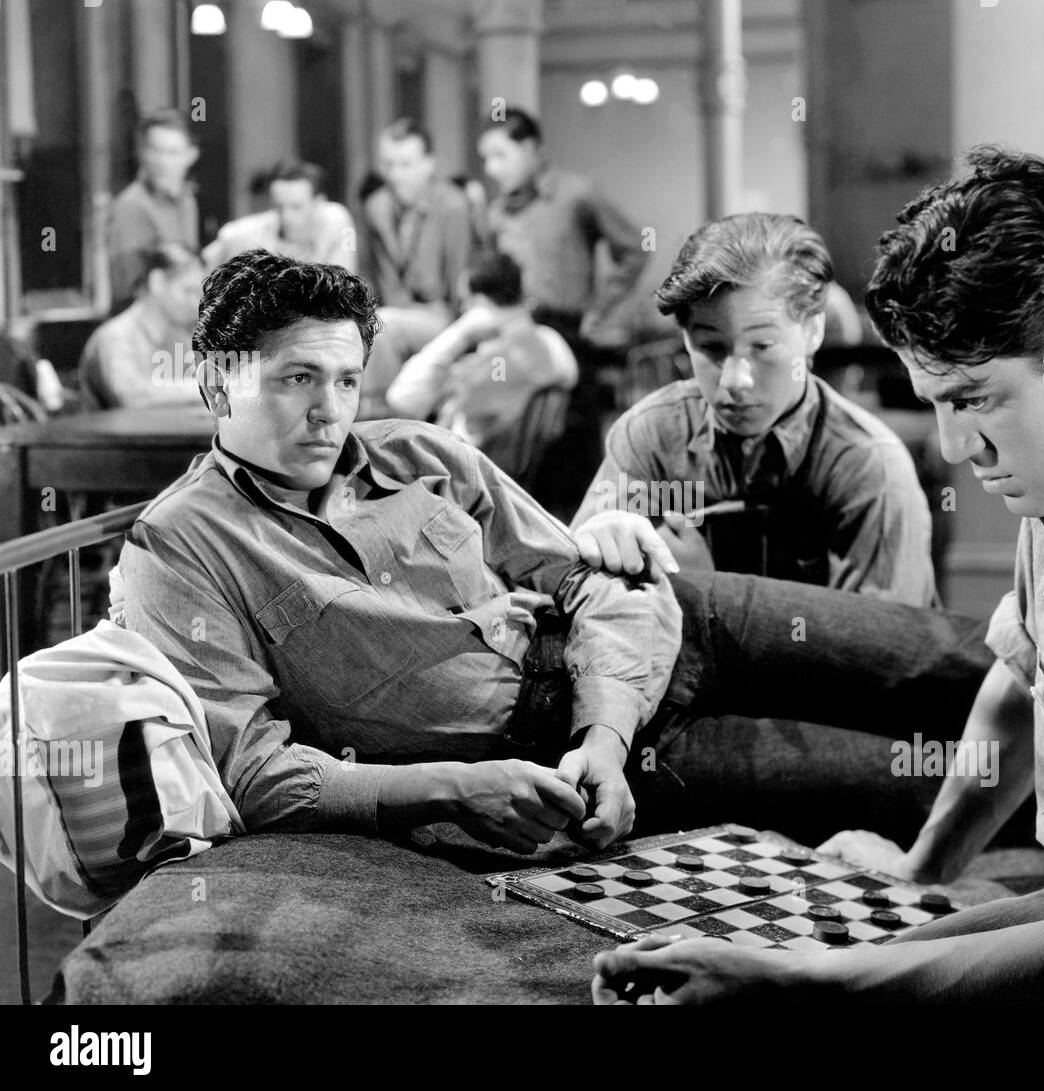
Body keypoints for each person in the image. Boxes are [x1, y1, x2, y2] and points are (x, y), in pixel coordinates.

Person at [593, 146, 1044, 1006]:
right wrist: (923, 867)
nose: (957, 447)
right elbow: (1019, 679)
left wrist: (804, 983)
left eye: (973, 398)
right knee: (886, 959)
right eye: (936, 402)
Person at [116, 249, 993, 859]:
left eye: (346, 380)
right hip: (563, 746)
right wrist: (457, 787)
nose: (330, 411)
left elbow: (589, 582)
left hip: (672, 629)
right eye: (296, 379)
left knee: (958, 657)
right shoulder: (179, 545)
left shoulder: (423, 453)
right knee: (933, 780)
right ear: (215, 381)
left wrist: (605, 732)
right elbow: (253, 770)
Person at [569, 213, 937, 606]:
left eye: (761, 347)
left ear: (813, 331)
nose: (735, 380)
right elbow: (571, 591)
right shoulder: (651, 435)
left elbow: (876, 652)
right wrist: (597, 549)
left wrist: (705, 596)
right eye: (711, 348)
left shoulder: (867, 465)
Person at [478, 106, 650, 514]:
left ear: (532, 148)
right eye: (485, 158)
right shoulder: (498, 212)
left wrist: (601, 309)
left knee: (575, 452)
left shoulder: (577, 193)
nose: (491, 168)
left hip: (573, 332)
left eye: (499, 156)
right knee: (522, 444)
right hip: (519, 334)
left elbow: (634, 248)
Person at [385, 251, 578, 471]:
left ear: (480, 303)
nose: (462, 310)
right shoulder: (551, 342)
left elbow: (401, 399)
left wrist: (461, 333)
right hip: (515, 479)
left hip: (462, 480)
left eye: (464, 302)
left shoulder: (494, 364)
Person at [360, 118, 475, 415]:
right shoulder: (377, 206)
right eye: (389, 164)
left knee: (382, 327)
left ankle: (384, 424)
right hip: (393, 312)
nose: (396, 174)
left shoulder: (453, 205)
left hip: (440, 315)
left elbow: (459, 280)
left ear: (428, 164)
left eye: (405, 164)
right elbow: (376, 276)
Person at [79, 243, 205, 410]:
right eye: (188, 291)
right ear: (157, 282)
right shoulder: (116, 336)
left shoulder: (184, 337)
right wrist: (207, 389)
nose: (195, 303)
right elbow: (131, 396)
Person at [107, 110, 201, 314]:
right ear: (140, 152)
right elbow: (127, 293)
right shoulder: (130, 206)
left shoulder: (187, 199)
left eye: (172, 153)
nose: (162, 162)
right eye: (154, 151)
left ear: (191, 155)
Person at [202, 161, 356, 272]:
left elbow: (345, 282)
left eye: (296, 207)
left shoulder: (340, 220)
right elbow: (201, 271)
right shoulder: (239, 235)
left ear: (318, 203)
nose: (286, 217)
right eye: (278, 207)